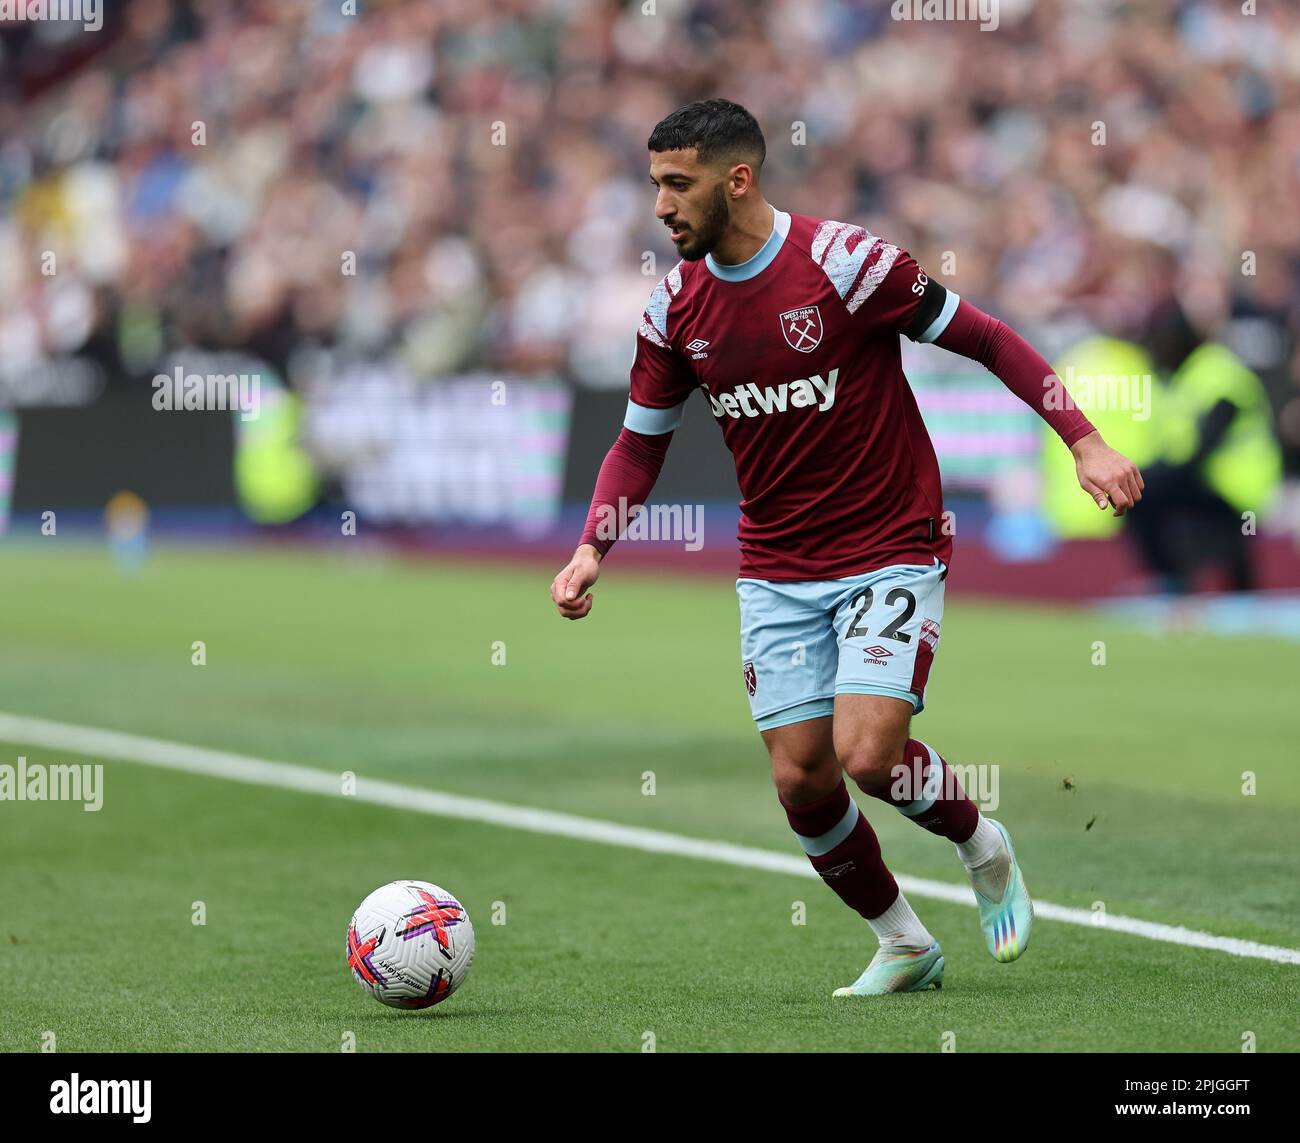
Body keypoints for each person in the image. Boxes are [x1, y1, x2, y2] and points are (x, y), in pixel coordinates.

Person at [549, 100, 1143, 996]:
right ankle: (904, 941)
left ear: (736, 179)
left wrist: (1085, 440)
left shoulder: (847, 264)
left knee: (869, 755)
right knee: (802, 779)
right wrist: (595, 545)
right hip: (778, 566)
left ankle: (983, 845)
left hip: (890, 542)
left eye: (678, 185)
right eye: (654, 185)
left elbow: (984, 338)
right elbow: (640, 441)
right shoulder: (675, 309)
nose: (661, 206)